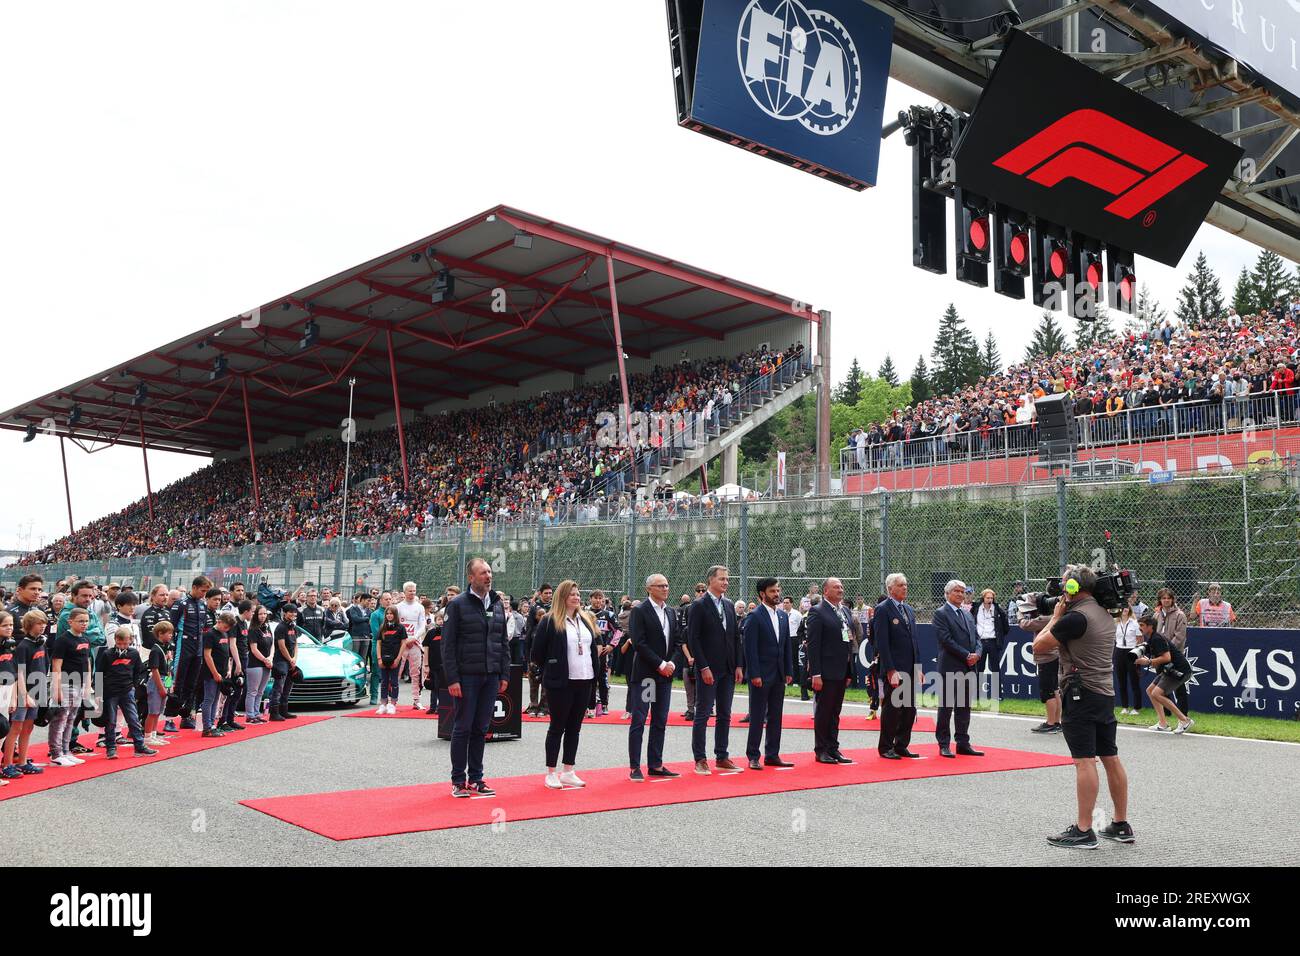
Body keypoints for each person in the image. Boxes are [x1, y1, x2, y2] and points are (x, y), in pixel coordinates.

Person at [1032, 564, 1134, 849]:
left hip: (1080, 694)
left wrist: (1054, 617)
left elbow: (1038, 646)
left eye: (1064, 585)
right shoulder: (1103, 613)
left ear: (1074, 588)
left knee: (1084, 761)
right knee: (1110, 757)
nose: (1061, 589)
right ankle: (1120, 824)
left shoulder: (1075, 618)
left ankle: (1083, 829)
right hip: (1103, 693)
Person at [442, 557, 511, 798]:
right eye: (483, 573)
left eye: (490, 572)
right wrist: (452, 679)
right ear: (471, 577)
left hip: (491, 676)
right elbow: (447, 646)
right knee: (462, 728)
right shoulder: (458, 604)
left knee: (481, 729)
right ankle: (458, 781)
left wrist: (504, 673)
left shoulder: (497, 603)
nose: (488, 576)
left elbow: (502, 641)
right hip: (466, 676)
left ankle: (477, 778)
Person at [531, 580, 598, 789]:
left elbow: (591, 648)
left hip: (584, 679)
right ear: (562, 598)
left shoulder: (585, 619)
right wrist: (553, 667)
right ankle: (551, 772)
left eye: (578, 594)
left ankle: (568, 770)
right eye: (572, 595)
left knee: (574, 729)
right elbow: (537, 653)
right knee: (557, 727)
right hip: (561, 682)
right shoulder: (550, 621)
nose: (576, 598)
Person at [687, 565, 745, 775]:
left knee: (725, 714)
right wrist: (703, 666)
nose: (726, 582)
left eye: (727, 579)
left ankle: (722, 756)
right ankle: (700, 759)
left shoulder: (729, 605)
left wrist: (738, 665)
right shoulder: (699, 606)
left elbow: (736, 638)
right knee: (702, 713)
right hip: (708, 669)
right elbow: (693, 638)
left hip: (728, 668)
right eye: (721, 579)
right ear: (711, 580)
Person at [627, 573, 682, 781]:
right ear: (649, 588)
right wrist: (660, 664)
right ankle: (634, 766)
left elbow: (677, 641)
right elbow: (639, 643)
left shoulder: (670, 611)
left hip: (665, 677)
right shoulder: (640, 611)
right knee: (640, 719)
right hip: (647, 676)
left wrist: (672, 664)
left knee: (660, 720)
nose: (665, 589)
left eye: (667, 585)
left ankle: (656, 764)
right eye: (661, 586)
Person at [742, 577, 794, 769]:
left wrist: (788, 670)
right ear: (762, 594)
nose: (777, 594)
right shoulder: (754, 616)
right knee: (757, 716)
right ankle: (753, 755)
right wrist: (754, 674)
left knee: (776, 715)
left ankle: (772, 754)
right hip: (761, 675)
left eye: (778, 590)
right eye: (773, 591)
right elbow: (750, 649)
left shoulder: (783, 616)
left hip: (779, 674)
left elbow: (787, 645)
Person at [807, 577, 855, 765]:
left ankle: (833, 748)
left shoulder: (844, 611)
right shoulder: (817, 612)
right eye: (836, 587)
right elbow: (813, 645)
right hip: (825, 672)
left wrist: (849, 671)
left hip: (841, 671)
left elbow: (848, 641)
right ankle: (821, 750)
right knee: (824, 712)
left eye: (842, 587)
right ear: (826, 591)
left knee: (835, 711)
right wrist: (816, 673)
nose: (840, 589)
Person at [934, 580, 985, 758]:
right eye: (957, 591)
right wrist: (966, 655)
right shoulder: (941, 613)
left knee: (964, 707)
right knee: (946, 707)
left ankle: (963, 742)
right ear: (947, 593)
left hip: (969, 667)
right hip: (951, 666)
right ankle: (944, 744)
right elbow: (946, 640)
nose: (961, 595)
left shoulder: (967, 614)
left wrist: (977, 654)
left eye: (963, 592)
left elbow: (977, 638)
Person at [873, 574, 920, 760]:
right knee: (893, 709)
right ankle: (885, 746)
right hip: (895, 668)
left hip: (910, 667)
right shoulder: (883, 609)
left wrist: (918, 667)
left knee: (909, 710)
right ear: (890, 588)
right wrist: (890, 669)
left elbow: (914, 640)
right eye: (901, 585)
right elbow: (882, 643)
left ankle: (901, 744)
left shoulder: (908, 609)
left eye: (906, 585)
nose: (905, 588)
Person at [95, 626, 156, 758]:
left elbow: (138, 671)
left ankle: (139, 746)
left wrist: (133, 686)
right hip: (110, 692)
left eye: (125, 643)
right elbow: (99, 674)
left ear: (130, 641)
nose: (122, 646)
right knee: (110, 721)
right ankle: (111, 748)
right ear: (115, 640)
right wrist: (99, 694)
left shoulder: (133, 654)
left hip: (127, 691)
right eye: (119, 643)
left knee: (133, 719)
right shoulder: (107, 654)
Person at [47, 607, 94, 766]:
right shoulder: (63, 640)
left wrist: (88, 685)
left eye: (86, 621)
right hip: (66, 683)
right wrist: (57, 688)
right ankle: (56, 753)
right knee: (60, 718)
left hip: (79, 684)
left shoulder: (85, 639)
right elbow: (56, 665)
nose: (84, 624)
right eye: (81, 621)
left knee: (72, 719)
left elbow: (87, 662)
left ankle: (66, 751)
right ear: (70, 621)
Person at [5, 610, 49, 778]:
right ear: (29, 625)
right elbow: (20, 672)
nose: (43, 626)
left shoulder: (41, 643)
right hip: (25, 692)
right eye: (39, 623)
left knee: (28, 728)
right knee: (15, 727)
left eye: (44, 623)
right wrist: (24, 695)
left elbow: (44, 668)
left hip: (37, 691)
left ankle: (22, 761)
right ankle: (8, 764)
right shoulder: (23, 646)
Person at [1135, 613, 1194, 734]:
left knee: (1157, 693)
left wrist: (1148, 661)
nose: (1139, 628)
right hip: (1169, 670)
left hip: (1179, 670)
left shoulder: (1156, 639)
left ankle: (1184, 720)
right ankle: (1163, 723)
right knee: (1150, 691)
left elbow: (1167, 657)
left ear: (1150, 626)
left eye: (1142, 625)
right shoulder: (1152, 638)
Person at [169, 575, 214, 730]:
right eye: (202, 590)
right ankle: (169, 718)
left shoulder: (202, 605)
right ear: (194, 587)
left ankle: (186, 715)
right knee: (177, 680)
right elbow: (171, 627)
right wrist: (170, 647)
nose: (204, 594)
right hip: (184, 642)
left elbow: (205, 627)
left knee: (193, 682)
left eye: (206, 591)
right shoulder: (180, 604)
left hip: (198, 645)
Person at [201, 611, 238, 738]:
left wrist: (228, 668)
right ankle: (207, 727)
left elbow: (226, 652)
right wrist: (215, 672)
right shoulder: (210, 634)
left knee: (216, 699)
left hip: (221, 672)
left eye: (228, 628)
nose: (227, 629)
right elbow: (207, 655)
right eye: (226, 626)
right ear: (219, 622)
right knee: (209, 699)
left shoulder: (224, 633)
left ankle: (212, 724)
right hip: (211, 672)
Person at [1155, 587, 1190, 718]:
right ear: (1160, 600)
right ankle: (1166, 712)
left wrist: (1167, 650)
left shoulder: (1180, 615)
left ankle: (1183, 713)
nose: (1166, 600)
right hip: (1160, 656)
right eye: (1163, 598)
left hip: (1174, 656)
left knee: (1179, 686)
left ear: (1172, 599)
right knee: (1161, 686)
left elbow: (1180, 637)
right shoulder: (1157, 615)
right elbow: (1154, 634)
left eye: (1168, 598)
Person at [971, 588, 1008, 700]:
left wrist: (1000, 635)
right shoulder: (976, 608)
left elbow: (1005, 625)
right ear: (983, 598)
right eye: (988, 598)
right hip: (980, 642)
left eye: (991, 598)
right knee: (979, 668)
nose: (990, 600)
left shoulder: (997, 609)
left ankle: (997, 695)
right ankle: (977, 694)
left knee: (995, 669)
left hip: (993, 641)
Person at [143, 621, 174, 746]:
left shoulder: (166, 648)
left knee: (158, 711)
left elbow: (168, 669)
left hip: (164, 679)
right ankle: (147, 736)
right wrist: (161, 687)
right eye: (169, 633)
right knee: (152, 711)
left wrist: (168, 685)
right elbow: (154, 670)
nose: (171, 635)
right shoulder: (156, 650)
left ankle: (154, 735)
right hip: (156, 681)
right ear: (160, 634)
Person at [269, 604, 301, 723]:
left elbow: (296, 644)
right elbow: (282, 646)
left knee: (288, 686)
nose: (293, 614)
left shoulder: (294, 627)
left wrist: (294, 658)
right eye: (290, 612)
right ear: (285, 613)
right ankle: (274, 712)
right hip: (280, 661)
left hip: (291, 661)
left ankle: (284, 710)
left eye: (295, 612)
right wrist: (290, 659)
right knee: (279, 687)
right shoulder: (281, 627)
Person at [245, 606, 275, 723]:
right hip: (255, 663)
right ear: (256, 615)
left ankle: (257, 713)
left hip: (267, 663)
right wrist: (264, 660)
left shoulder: (268, 628)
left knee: (260, 691)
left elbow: (273, 644)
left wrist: (271, 658)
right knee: (253, 690)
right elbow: (253, 649)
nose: (263, 616)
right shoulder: (253, 629)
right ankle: (250, 715)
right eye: (260, 614)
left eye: (264, 614)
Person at [1113, 604, 1142, 716]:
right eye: (1122, 607)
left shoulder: (1134, 623)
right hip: (1119, 651)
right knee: (1121, 681)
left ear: (1129, 610)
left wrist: (1137, 654)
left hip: (1131, 651)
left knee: (1134, 680)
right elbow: (1115, 639)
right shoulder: (1116, 623)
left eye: (1127, 607)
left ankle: (1136, 707)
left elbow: (1140, 639)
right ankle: (1125, 707)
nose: (1125, 609)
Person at [375, 605, 405, 715]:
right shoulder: (382, 627)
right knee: (384, 681)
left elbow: (403, 644)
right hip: (383, 659)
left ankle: (392, 704)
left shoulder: (400, 628)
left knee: (394, 682)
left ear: (395, 615)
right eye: (387, 613)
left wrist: (397, 659)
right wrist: (379, 659)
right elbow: (378, 644)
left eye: (391, 613)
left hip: (395, 659)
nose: (389, 615)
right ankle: (383, 704)